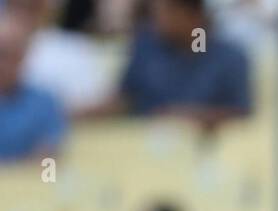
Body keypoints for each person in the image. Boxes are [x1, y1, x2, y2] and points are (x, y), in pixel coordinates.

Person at [85, 0, 251, 131]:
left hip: (209, 152)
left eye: (167, 12)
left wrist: (186, 117)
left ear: (193, 15)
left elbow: (241, 114)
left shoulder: (230, 57)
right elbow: (124, 98)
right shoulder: (145, 47)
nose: (158, 19)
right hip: (146, 149)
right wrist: (84, 113)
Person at [0, 10, 66, 162]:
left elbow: (47, 161)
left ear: (22, 56)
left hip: (30, 184)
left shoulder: (45, 103)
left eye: (5, 54)